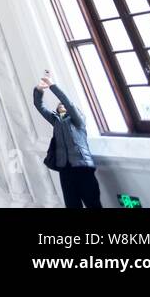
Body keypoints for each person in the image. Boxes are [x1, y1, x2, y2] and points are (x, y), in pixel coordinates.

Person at [33, 71, 101, 208]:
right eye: (59, 106)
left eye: (63, 105)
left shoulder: (78, 121)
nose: (61, 106)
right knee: (72, 204)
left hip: (82, 167)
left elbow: (68, 102)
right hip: (65, 169)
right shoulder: (56, 121)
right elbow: (39, 105)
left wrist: (52, 85)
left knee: (93, 203)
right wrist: (39, 89)